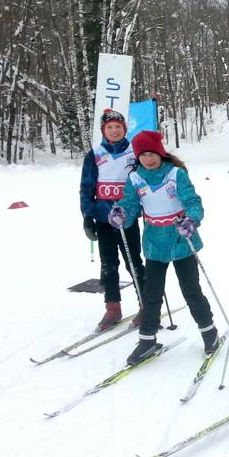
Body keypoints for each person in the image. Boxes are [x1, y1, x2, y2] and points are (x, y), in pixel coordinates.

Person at [108, 131, 218, 365]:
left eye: (152, 154)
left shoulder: (175, 174)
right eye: (143, 155)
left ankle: (209, 332)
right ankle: (147, 340)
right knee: (151, 293)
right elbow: (130, 205)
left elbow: (193, 202)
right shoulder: (135, 178)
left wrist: (191, 219)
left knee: (191, 291)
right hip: (154, 243)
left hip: (181, 240)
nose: (148, 159)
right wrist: (121, 213)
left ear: (160, 153)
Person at [79, 109, 146, 330]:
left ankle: (146, 304)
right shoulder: (95, 154)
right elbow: (86, 187)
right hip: (104, 217)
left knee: (133, 261)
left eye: (118, 127)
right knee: (108, 263)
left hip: (127, 216)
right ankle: (112, 307)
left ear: (124, 129)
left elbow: (144, 181)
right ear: (103, 130)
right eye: (110, 127)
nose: (114, 131)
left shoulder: (134, 152)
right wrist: (87, 216)